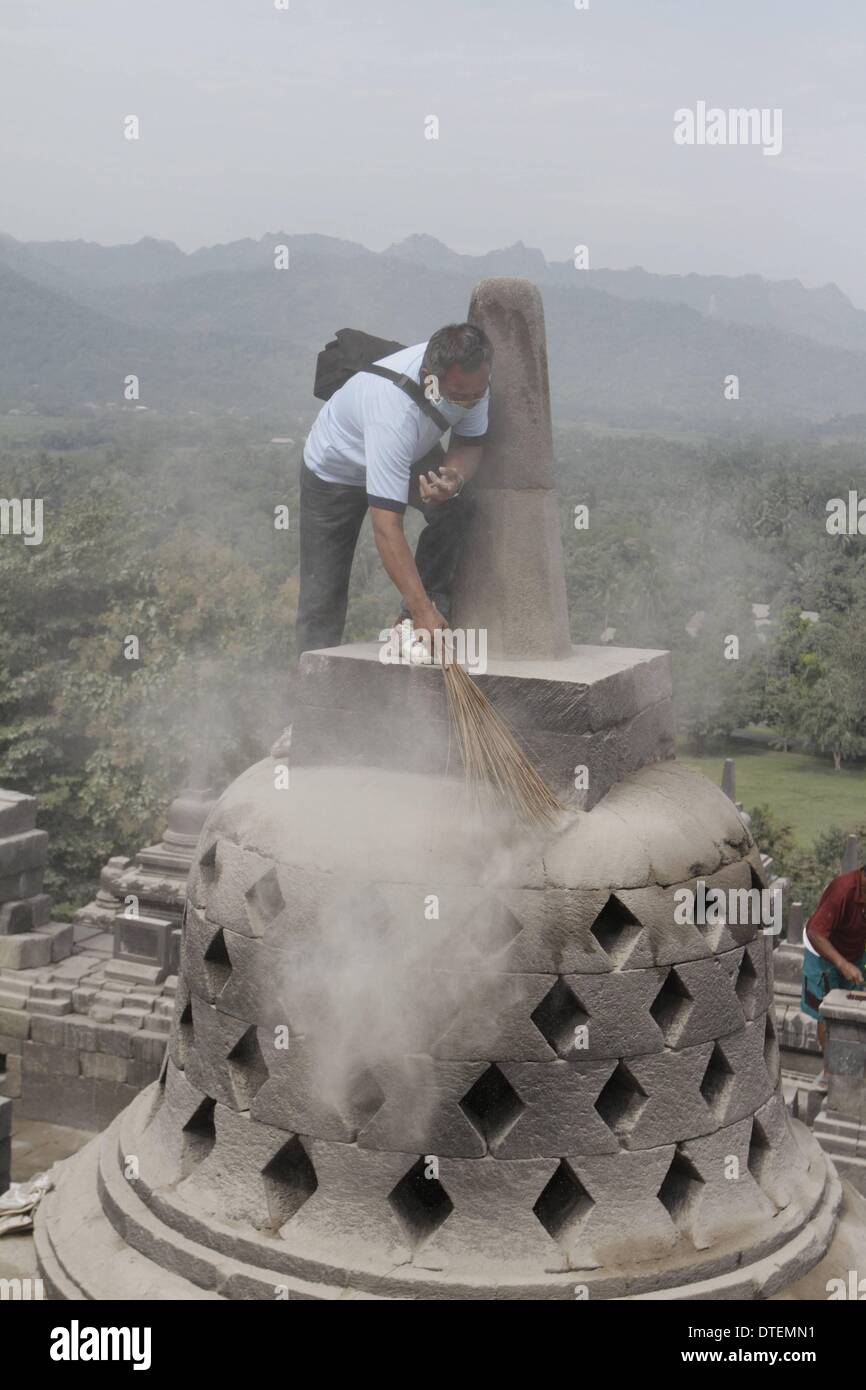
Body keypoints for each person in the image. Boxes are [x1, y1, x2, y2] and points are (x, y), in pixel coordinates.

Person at [295, 323, 492, 657]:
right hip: (335, 473)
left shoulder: (472, 380)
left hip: (408, 451)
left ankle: (412, 624)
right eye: (459, 397)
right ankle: (311, 688)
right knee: (322, 597)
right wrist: (422, 611)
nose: (470, 404)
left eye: (478, 395)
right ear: (430, 378)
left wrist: (454, 479)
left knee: (459, 506)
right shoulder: (392, 414)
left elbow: (470, 443)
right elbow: (387, 529)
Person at [801, 864, 866, 1080]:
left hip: (854, 948)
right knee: (827, 1011)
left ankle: (851, 1062)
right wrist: (842, 964)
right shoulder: (843, 889)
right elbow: (815, 932)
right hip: (823, 950)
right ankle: (829, 1068)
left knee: (854, 1005)